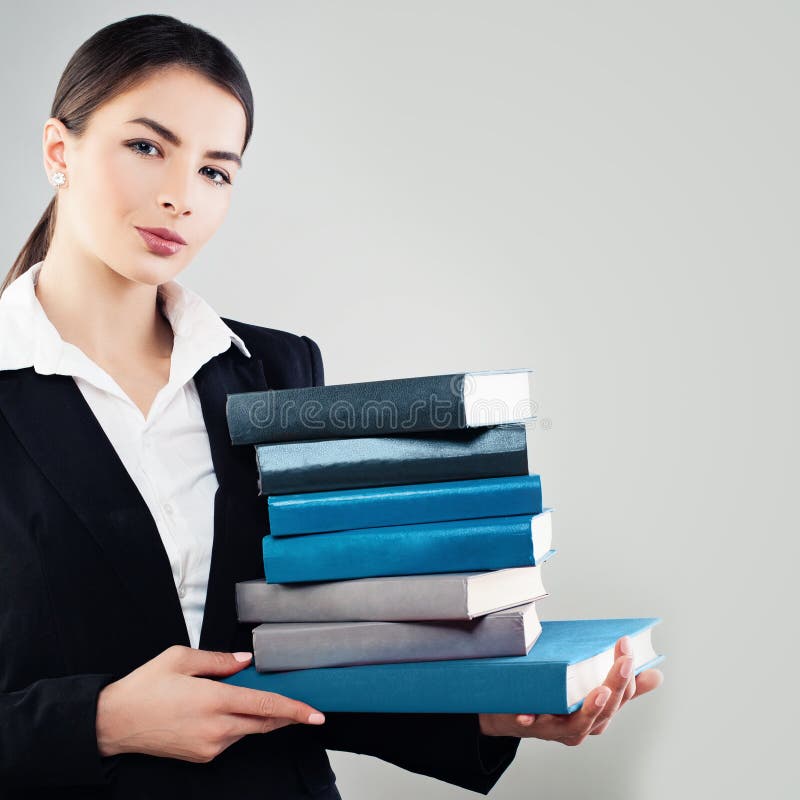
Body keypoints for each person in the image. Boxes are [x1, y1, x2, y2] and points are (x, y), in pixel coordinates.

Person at [0, 13, 663, 799]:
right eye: (147, 147)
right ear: (58, 151)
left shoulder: (275, 372)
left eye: (216, 170)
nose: (180, 196)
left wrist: (493, 714)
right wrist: (101, 718)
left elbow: (312, 660)